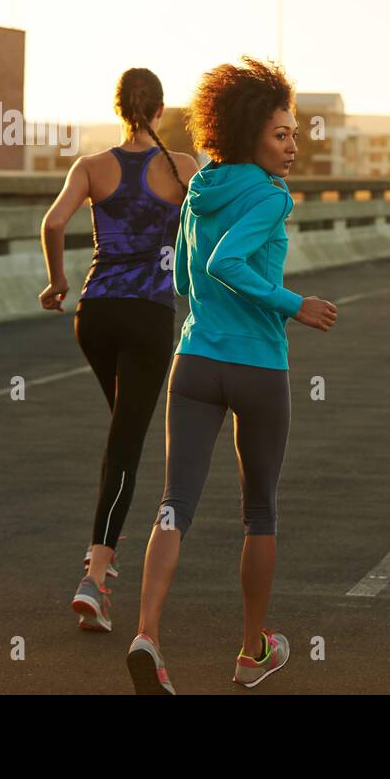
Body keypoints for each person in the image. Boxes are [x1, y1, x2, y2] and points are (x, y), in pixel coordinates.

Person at [126, 57, 338, 695]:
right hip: (258, 366)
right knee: (260, 512)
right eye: (282, 135)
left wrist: (212, 319)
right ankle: (252, 650)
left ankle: (147, 636)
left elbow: (186, 281)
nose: (293, 147)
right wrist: (292, 303)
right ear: (251, 135)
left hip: (194, 362)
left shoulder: (199, 188)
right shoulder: (271, 197)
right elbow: (226, 263)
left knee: (174, 504)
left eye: (294, 134)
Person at [39, 68, 200, 633]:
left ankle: (99, 567)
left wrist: (58, 283)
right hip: (149, 316)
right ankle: (96, 576)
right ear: (160, 112)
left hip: (95, 315)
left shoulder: (91, 167)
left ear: (118, 110)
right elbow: (207, 229)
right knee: (127, 443)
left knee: (122, 434)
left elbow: (54, 223)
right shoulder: (184, 167)